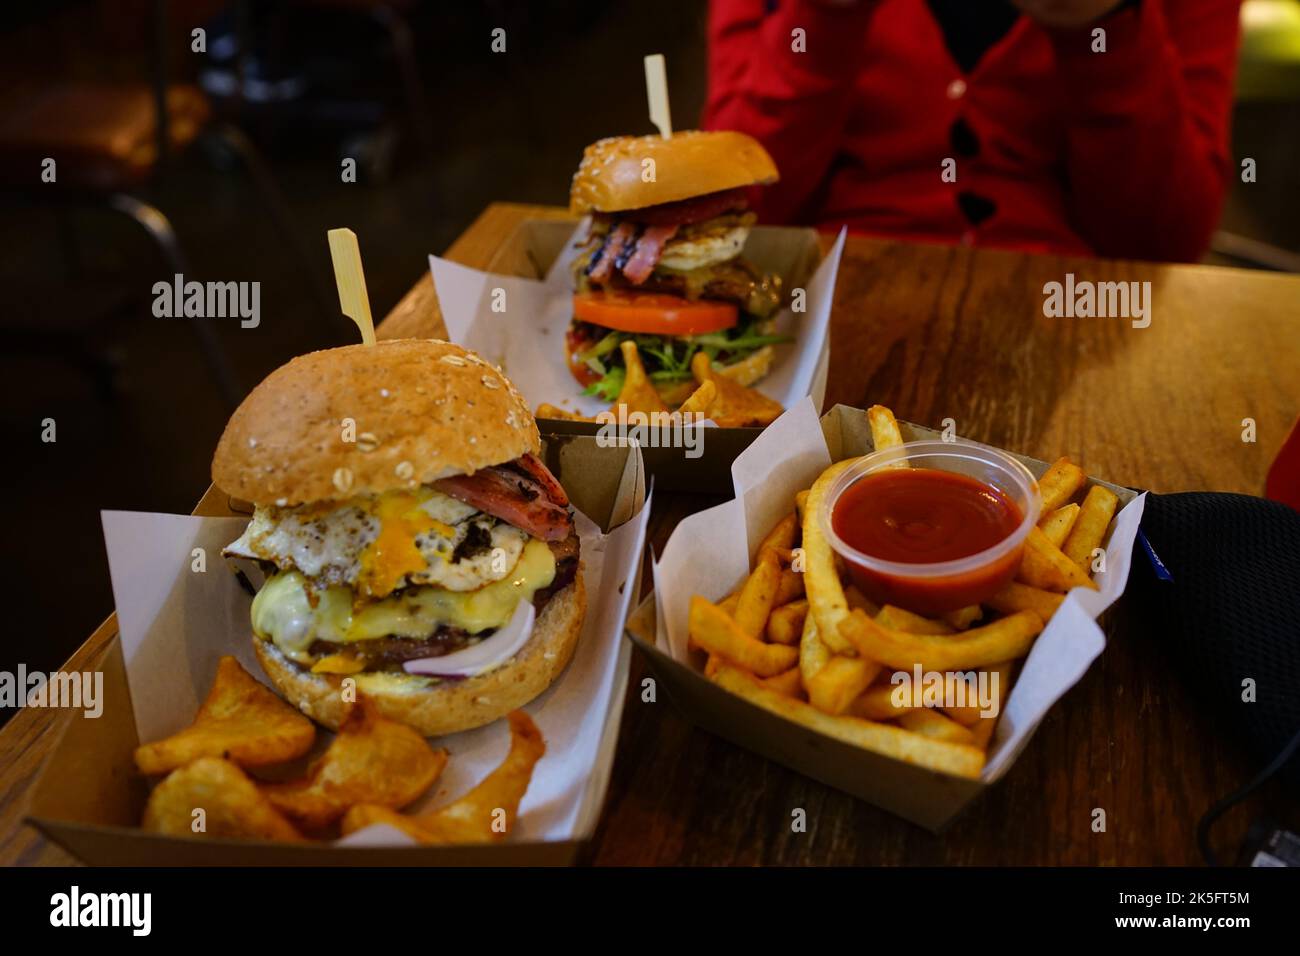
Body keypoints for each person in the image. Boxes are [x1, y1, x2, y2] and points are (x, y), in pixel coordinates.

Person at [704, 0, 1243, 261]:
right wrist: (824, 14)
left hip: (1083, 321)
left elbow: (1165, 248)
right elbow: (737, 213)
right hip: (827, 305)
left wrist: (1103, 27)